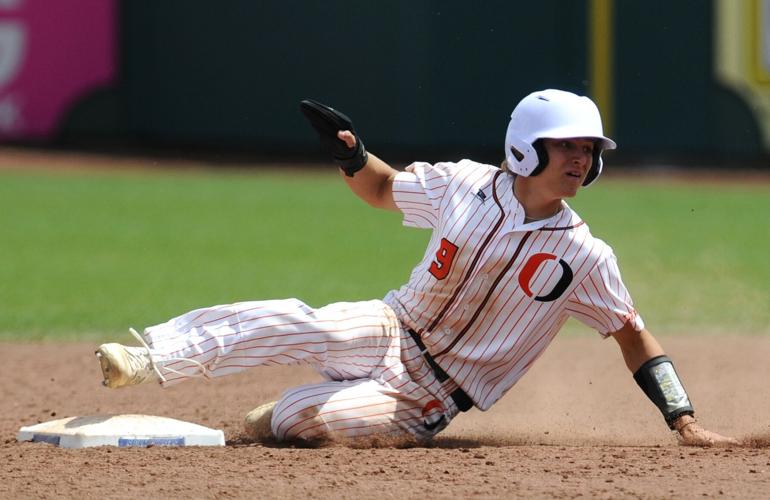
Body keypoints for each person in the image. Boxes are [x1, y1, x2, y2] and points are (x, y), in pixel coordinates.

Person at [96, 89, 738, 447]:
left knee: (304, 422)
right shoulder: (462, 184)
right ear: (525, 146)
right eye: (566, 145)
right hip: (391, 325)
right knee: (306, 323)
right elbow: (381, 189)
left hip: (430, 392)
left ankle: (281, 412)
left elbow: (632, 335)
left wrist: (681, 420)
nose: (579, 159)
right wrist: (352, 156)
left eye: (588, 149)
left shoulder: (586, 257)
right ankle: (152, 357)